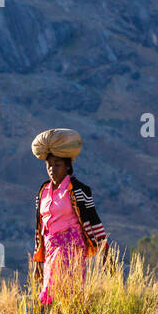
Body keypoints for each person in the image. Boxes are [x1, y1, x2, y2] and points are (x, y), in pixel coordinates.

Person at [30, 129, 107, 304]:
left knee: (60, 292)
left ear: (67, 167)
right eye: (49, 165)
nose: (52, 169)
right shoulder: (43, 192)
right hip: (50, 248)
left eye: (57, 165)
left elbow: (93, 218)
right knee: (56, 293)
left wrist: (105, 252)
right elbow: (40, 228)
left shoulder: (78, 190)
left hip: (71, 248)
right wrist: (38, 260)